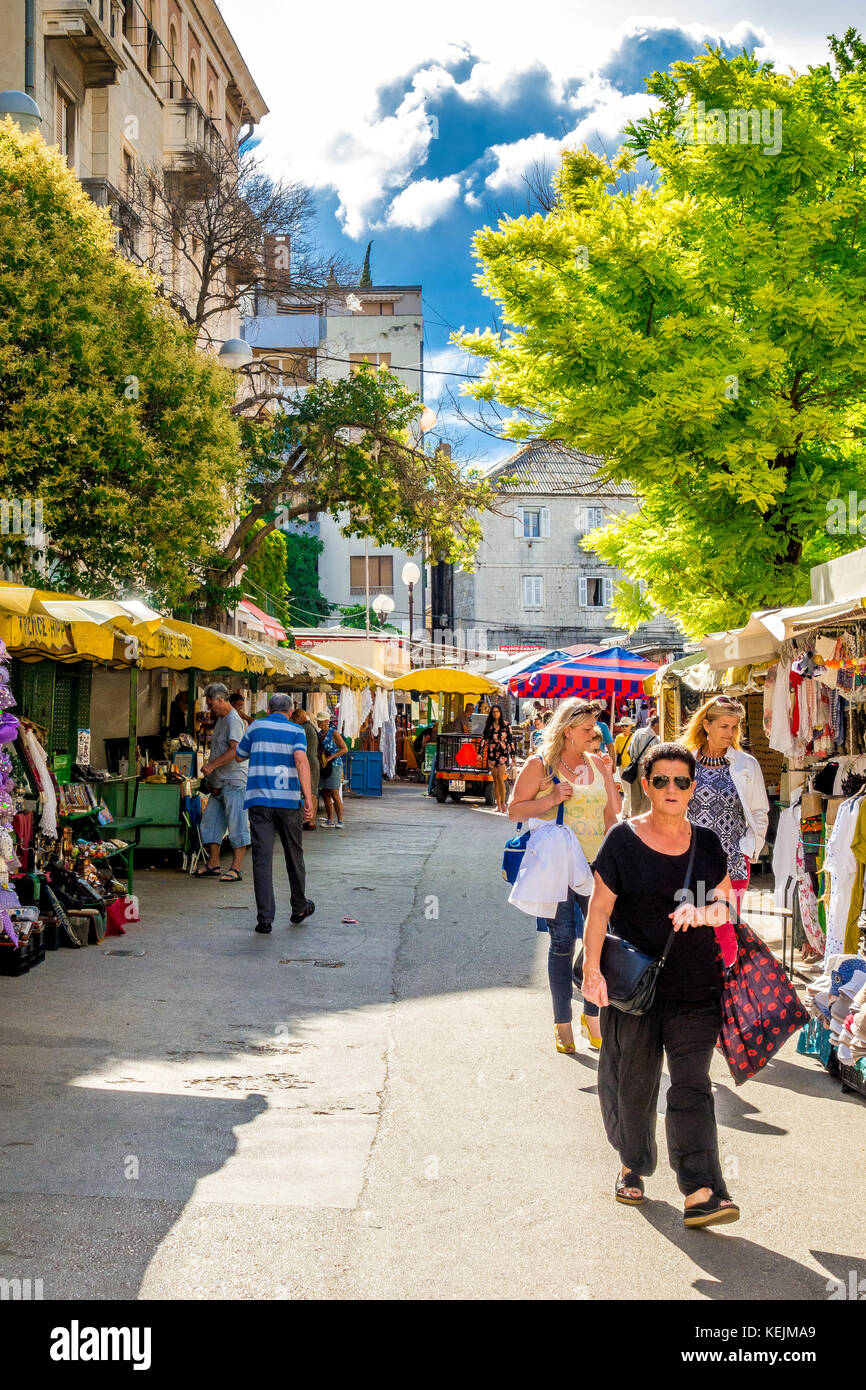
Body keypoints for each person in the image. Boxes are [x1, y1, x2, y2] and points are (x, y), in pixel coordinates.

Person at [582, 741, 740, 1228]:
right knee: (634, 1081)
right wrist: (591, 970)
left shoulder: (708, 844)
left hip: (696, 986)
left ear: (693, 788)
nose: (673, 789)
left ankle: (701, 1189)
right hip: (634, 987)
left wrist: (703, 912)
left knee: (692, 1086)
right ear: (646, 785)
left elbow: (729, 908)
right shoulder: (622, 841)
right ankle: (633, 1162)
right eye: (663, 780)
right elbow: (599, 910)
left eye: (683, 781)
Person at [508, 698, 620, 1053]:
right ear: (568, 730)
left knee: (598, 942)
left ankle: (591, 1015)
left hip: (596, 864)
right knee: (562, 942)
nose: (595, 734)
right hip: (558, 867)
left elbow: (611, 816)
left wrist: (610, 775)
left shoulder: (597, 764)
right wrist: (551, 798)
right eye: (587, 729)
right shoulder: (540, 765)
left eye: (595, 729)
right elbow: (514, 811)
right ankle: (563, 1023)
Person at [680, 695, 769, 966]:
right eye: (724, 726)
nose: (730, 733)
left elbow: (759, 812)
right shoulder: (686, 762)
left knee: (726, 929)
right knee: (692, 926)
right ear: (706, 725)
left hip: (732, 861)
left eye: (734, 727)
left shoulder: (746, 764)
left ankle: (729, 991)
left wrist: (748, 848)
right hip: (691, 859)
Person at [231, 692, 315, 933]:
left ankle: (265, 919)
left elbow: (239, 756)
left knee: (262, 859)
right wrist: (308, 798)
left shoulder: (256, 727)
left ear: (269, 709)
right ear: (290, 711)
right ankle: (299, 906)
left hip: (260, 803)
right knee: (294, 855)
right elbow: (301, 761)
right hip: (288, 803)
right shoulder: (296, 731)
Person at [197, 682, 250, 882]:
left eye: (211, 704)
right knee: (210, 822)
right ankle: (213, 864)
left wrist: (211, 766)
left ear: (221, 700)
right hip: (220, 782)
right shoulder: (221, 719)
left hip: (234, 781)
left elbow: (235, 751)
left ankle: (236, 868)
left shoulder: (233, 720)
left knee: (237, 824)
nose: (209, 708)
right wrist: (213, 778)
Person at [480, 704, 515, 813]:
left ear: (500, 713)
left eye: (497, 711)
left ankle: (504, 804)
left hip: (503, 754)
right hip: (491, 754)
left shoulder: (506, 725)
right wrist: (479, 753)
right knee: (495, 781)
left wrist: (513, 756)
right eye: (494, 712)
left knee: (500, 778)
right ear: (491, 713)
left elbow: (510, 741)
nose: (496, 713)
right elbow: (483, 739)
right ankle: (498, 805)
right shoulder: (489, 726)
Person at [624, 713, 660, 818]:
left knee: (635, 799)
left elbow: (628, 751)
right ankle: (644, 824)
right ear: (656, 725)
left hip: (635, 769)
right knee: (647, 799)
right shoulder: (654, 738)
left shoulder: (638, 732)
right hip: (646, 769)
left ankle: (634, 822)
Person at [291, 708, 320, 831]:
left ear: (298, 717)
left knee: (311, 792)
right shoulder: (310, 727)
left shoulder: (304, 729)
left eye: (294, 719)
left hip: (310, 763)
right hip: (313, 761)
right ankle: (310, 820)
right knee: (313, 792)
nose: (293, 722)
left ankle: (310, 822)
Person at [317, 713, 348, 828]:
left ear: (327, 721)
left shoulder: (333, 733)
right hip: (324, 766)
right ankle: (330, 819)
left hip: (334, 765)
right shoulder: (320, 734)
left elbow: (344, 749)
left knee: (334, 793)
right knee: (325, 793)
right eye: (318, 721)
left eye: (321, 721)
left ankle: (340, 820)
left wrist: (331, 756)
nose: (319, 723)